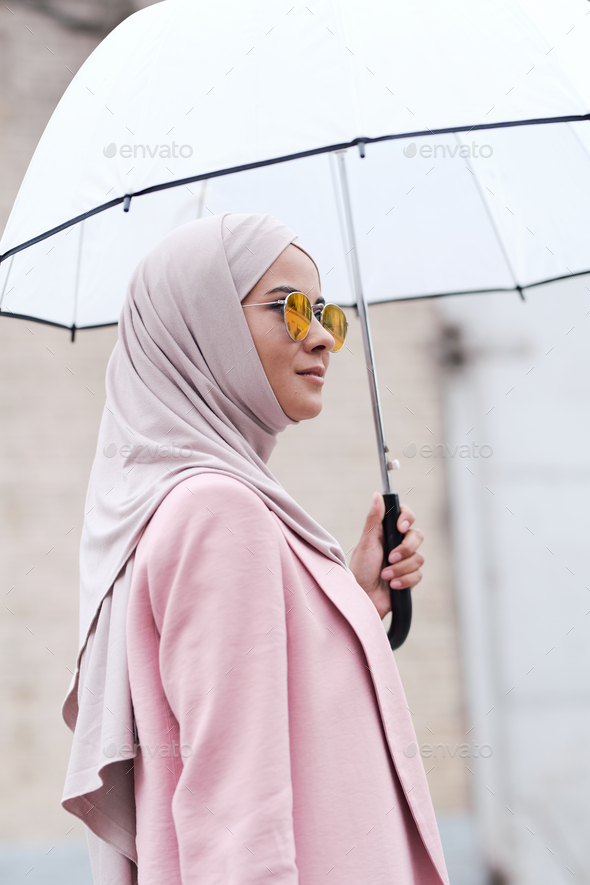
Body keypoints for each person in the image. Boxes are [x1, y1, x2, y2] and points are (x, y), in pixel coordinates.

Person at [61, 213, 449, 885]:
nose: (321, 336)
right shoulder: (218, 511)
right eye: (288, 308)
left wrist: (354, 604)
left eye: (323, 312)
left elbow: (270, 715)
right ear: (201, 325)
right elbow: (235, 814)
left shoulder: (185, 504)